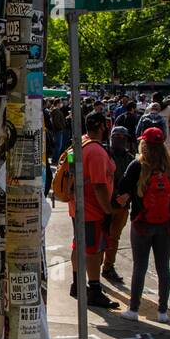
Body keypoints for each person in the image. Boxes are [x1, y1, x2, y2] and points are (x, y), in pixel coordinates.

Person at [118, 127, 170, 322]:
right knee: (164, 268)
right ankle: (162, 312)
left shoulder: (138, 165)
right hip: (166, 222)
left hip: (142, 223)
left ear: (143, 144)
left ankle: (134, 309)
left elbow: (122, 188)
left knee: (140, 267)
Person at [68, 111, 118, 309]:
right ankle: (94, 290)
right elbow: (99, 185)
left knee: (78, 245)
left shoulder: (81, 143)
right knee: (93, 250)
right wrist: (108, 211)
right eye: (105, 125)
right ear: (101, 127)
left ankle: (77, 284)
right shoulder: (96, 151)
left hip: (78, 208)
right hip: (92, 210)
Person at [102, 126, 133, 284]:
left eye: (122, 136)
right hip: (104, 204)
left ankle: (108, 267)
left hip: (122, 206)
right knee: (101, 238)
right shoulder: (104, 154)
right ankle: (95, 269)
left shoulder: (130, 158)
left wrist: (127, 196)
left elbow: (136, 181)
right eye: (116, 136)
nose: (119, 139)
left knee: (114, 238)